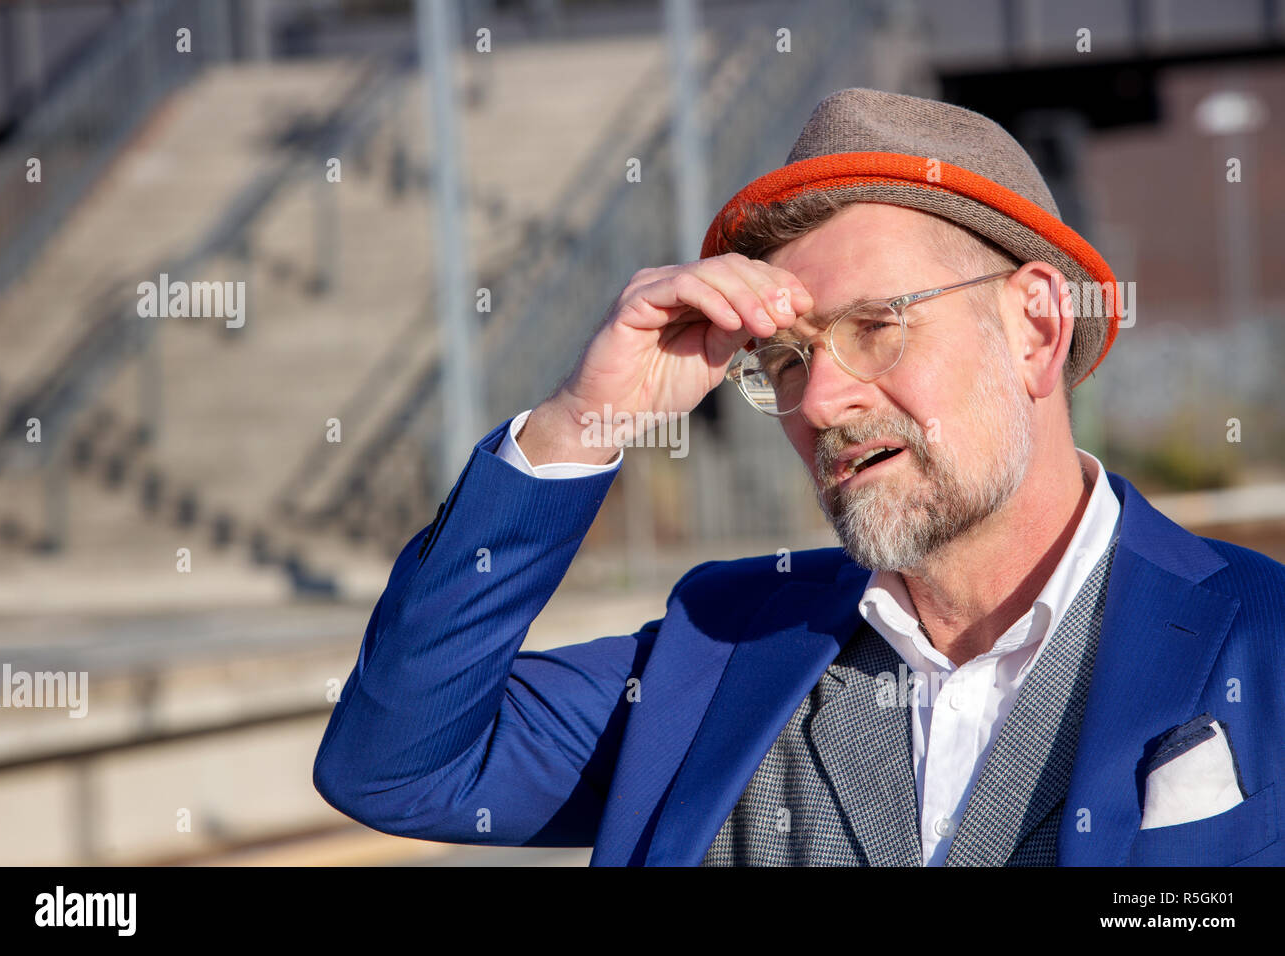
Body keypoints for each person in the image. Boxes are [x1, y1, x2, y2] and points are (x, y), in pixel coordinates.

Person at [313, 88, 1284, 866]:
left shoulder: (1262, 639)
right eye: (783, 359)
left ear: (1033, 325)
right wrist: (578, 421)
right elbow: (397, 765)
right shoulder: (725, 648)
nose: (820, 399)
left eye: (875, 325)